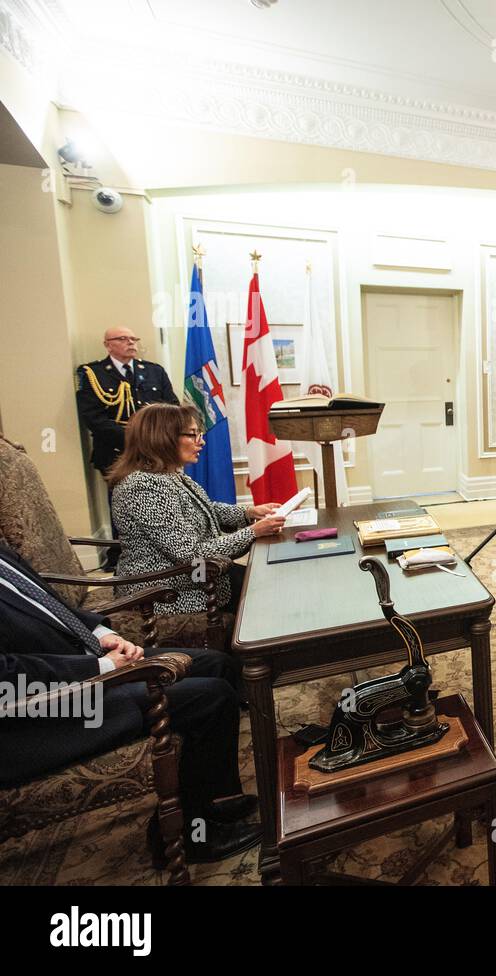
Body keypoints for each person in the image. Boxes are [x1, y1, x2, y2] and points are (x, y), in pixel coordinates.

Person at [0, 541, 261, 863]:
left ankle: (204, 802)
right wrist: (102, 667)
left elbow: (52, 606)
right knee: (210, 697)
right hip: (46, 707)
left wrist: (98, 634)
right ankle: (188, 836)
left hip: (82, 661)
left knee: (215, 663)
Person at [109, 404, 285, 615]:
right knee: (269, 594)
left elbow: (206, 509)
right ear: (163, 438)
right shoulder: (143, 486)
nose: (201, 441)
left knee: (268, 579)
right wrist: (253, 532)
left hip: (194, 576)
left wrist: (249, 513)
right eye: (192, 435)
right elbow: (190, 554)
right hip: (165, 591)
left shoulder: (169, 474)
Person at [76, 327, 180, 476]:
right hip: (116, 452)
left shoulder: (154, 371)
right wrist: (135, 439)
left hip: (156, 450)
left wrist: (155, 438)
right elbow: (93, 417)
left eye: (133, 339)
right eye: (123, 339)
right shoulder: (93, 373)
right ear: (108, 345)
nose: (130, 343)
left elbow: (172, 408)